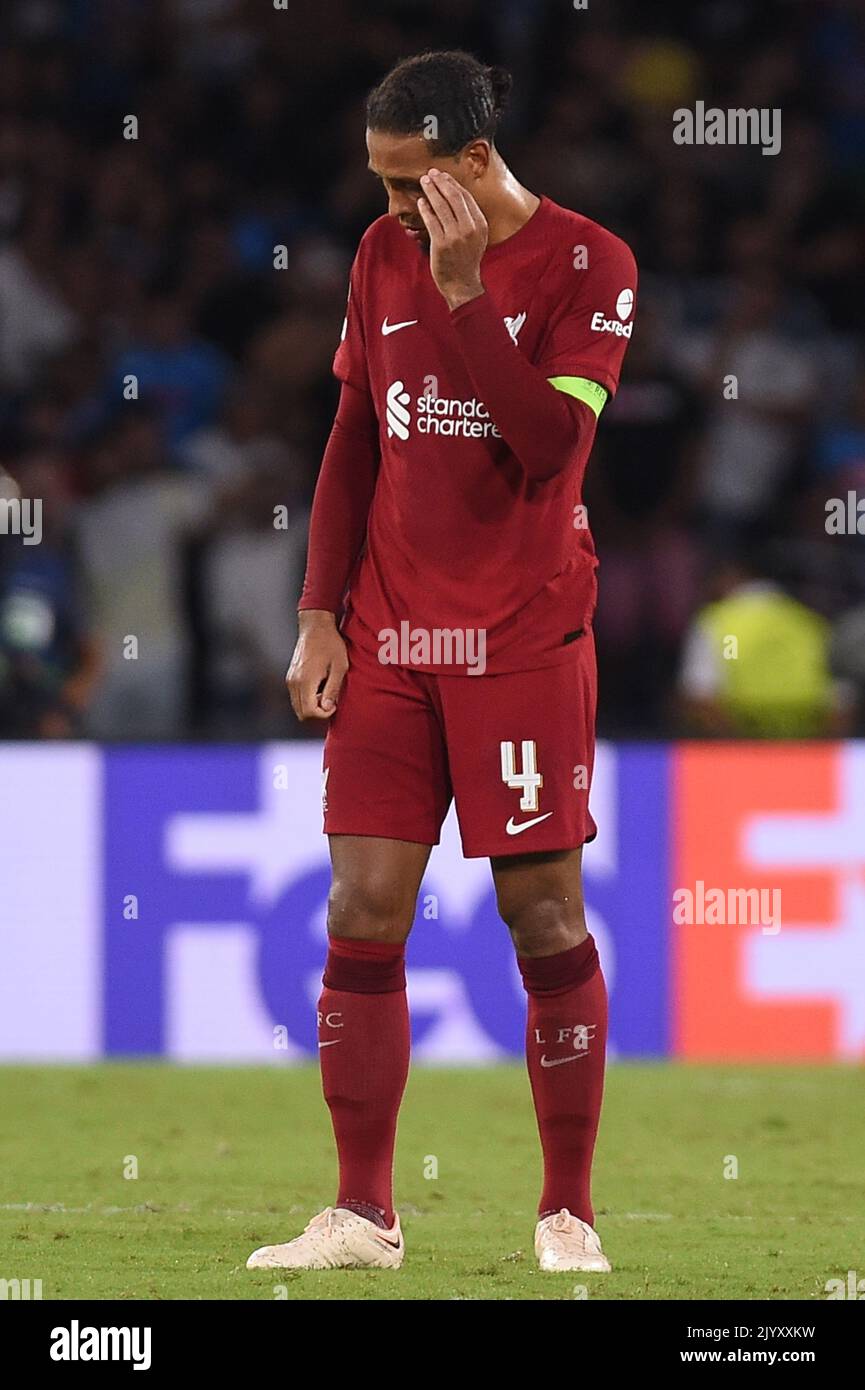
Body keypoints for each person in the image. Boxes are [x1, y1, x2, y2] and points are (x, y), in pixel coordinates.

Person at [247, 50, 636, 1276]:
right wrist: (320, 612)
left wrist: (467, 292)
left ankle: (565, 1210)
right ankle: (364, 1214)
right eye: (378, 185)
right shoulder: (377, 258)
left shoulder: (591, 265)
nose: (394, 210)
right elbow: (356, 434)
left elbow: (546, 452)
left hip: (522, 640)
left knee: (540, 916)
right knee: (361, 908)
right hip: (394, 637)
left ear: (476, 161)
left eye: (410, 185)